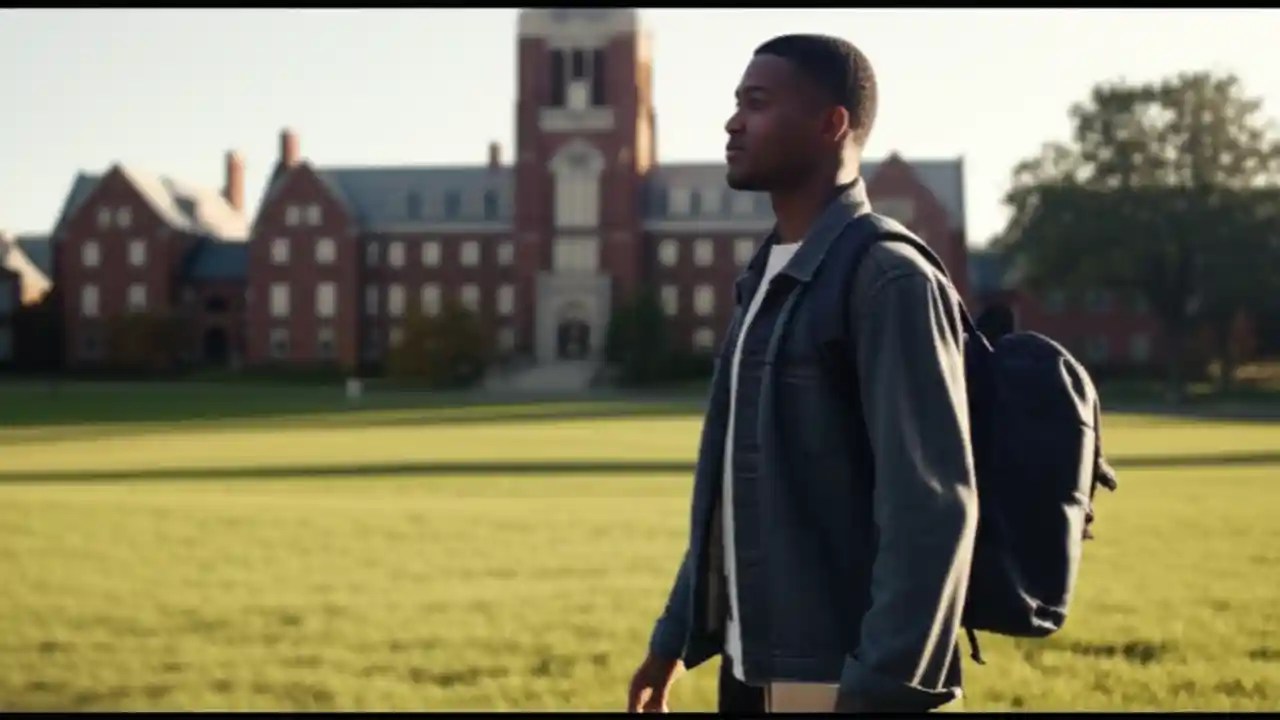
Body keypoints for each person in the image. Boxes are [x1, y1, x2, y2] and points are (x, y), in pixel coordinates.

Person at [626, 34, 979, 714]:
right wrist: (673, 637)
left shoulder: (887, 278)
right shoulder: (764, 276)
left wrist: (881, 690)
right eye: (736, 104)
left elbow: (931, 508)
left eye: (756, 104)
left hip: (836, 672)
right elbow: (737, 485)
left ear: (832, 124)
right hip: (751, 659)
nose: (733, 122)